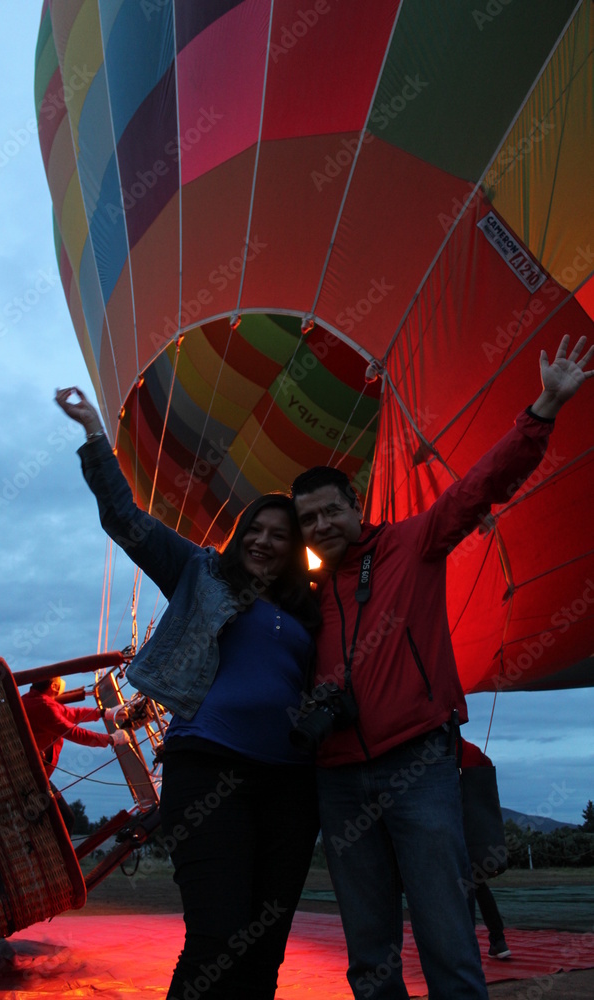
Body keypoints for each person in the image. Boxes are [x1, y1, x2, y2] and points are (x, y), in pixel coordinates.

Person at [290, 335, 593, 1000]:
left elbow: (478, 488)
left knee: (444, 930)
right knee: (367, 945)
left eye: (329, 511)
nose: (319, 526)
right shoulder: (303, 595)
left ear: (354, 505)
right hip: (337, 776)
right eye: (306, 519)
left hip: (415, 762)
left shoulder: (409, 544)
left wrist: (541, 408)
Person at [55, 386, 321, 1000]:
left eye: (281, 535)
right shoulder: (200, 573)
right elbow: (127, 521)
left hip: (289, 788)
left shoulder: (311, 612)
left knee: (264, 948)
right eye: (256, 529)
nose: (264, 542)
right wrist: (97, 434)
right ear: (240, 533)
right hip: (209, 771)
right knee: (217, 936)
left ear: (295, 550)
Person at [22, 675, 130, 833]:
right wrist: (110, 739)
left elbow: (71, 713)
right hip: (33, 778)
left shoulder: (32, 700)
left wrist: (104, 713)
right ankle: (49, 855)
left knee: (59, 819)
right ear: (53, 686)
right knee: (65, 819)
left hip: (34, 775)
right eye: (59, 679)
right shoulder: (44, 706)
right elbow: (75, 733)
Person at [460, 738, 511, 960]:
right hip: (474, 832)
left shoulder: (435, 751)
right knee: (477, 884)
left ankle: (463, 945)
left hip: (451, 828)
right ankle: (498, 940)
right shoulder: (473, 751)